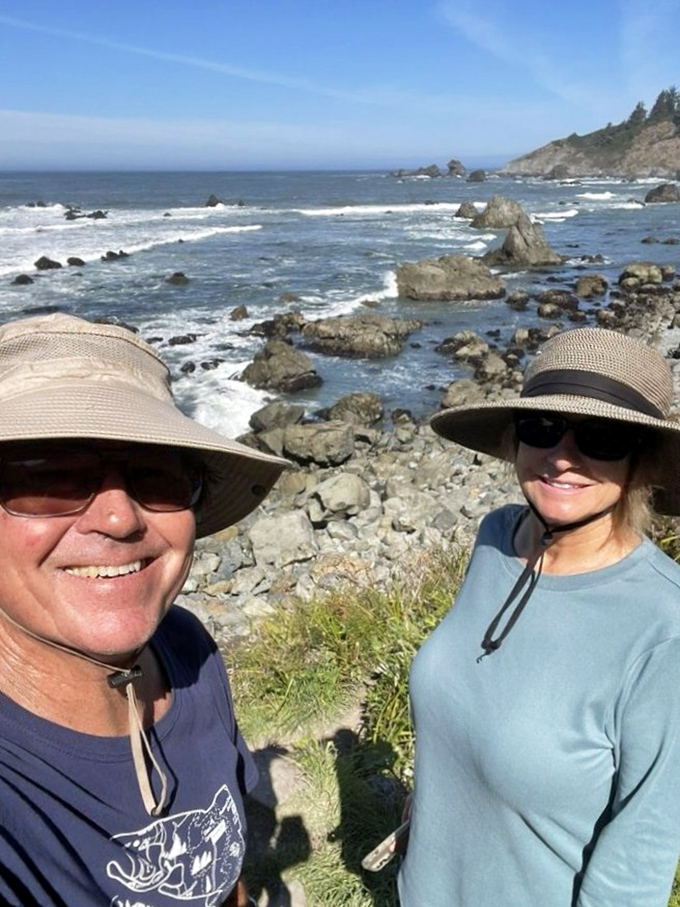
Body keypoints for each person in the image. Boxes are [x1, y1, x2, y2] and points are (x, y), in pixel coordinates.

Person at [0, 313, 289, 907]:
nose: (120, 518)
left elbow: (224, 874)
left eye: (159, 477)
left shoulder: (186, 649)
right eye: (51, 478)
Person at [398, 326, 680, 907]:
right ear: (515, 438)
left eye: (602, 437)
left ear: (642, 460)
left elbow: (640, 856)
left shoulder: (664, 628)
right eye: (542, 427)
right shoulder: (496, 537)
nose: (562, 456)